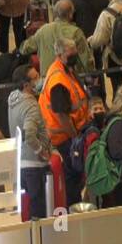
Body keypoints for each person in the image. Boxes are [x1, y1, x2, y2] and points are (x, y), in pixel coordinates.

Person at [40, 39, 91, 206]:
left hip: (71, 133)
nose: (75, 56)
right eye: (71, 54)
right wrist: (75, 137)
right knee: (73, 177)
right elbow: (62, 115)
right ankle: (73, 208)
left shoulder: (64, 70)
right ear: (60, 54)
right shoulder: (58, 81)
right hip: (64, 137)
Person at [10, 63, 52, 220]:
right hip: (35, 165)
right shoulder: (31, 106)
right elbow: (29, 135)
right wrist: (41, 151)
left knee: (27, 208)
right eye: (35, 78)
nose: (40, 79)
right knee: (39, 210)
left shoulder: (13, 99)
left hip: (20, 163)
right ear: (26, 85)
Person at [22, 0, 94, 75]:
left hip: (48, 78)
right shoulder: (76, 32)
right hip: (68, 78)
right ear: (70, 15)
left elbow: (25, 48)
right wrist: (93, 74)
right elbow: (86, 60)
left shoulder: (43, 30)